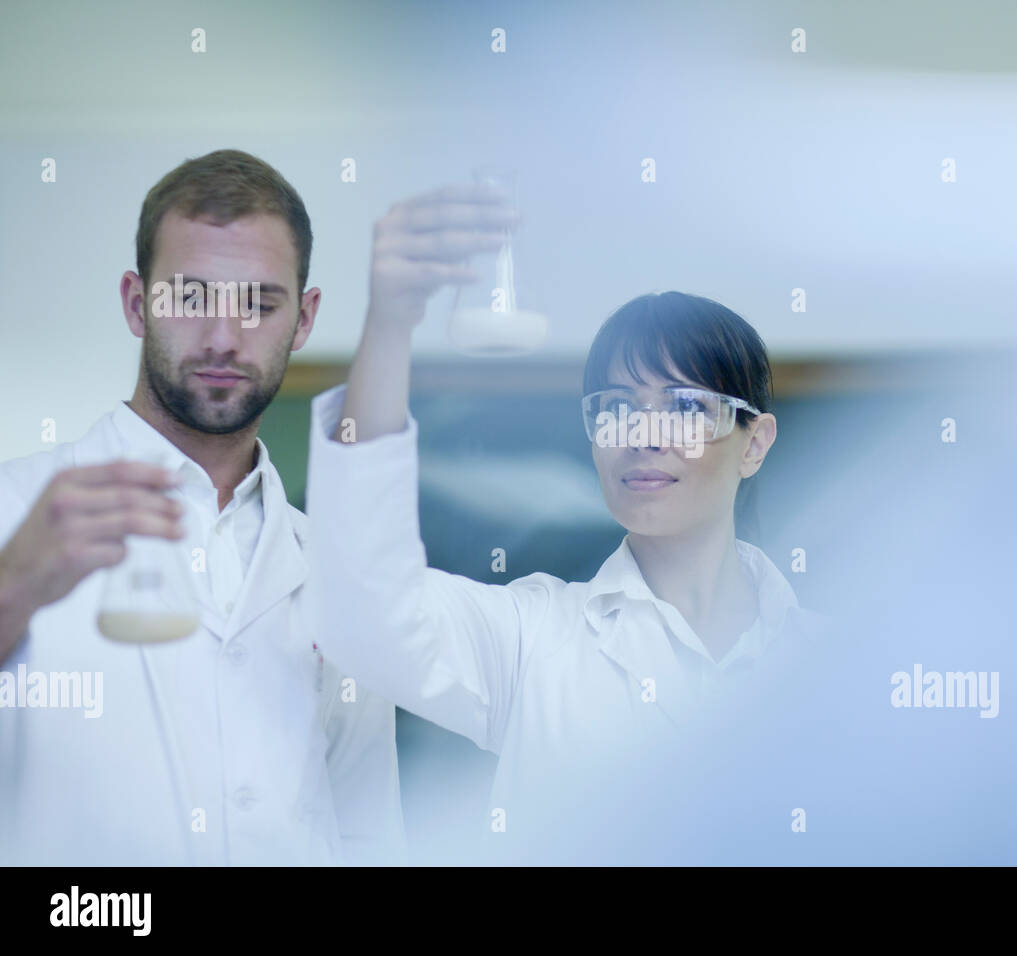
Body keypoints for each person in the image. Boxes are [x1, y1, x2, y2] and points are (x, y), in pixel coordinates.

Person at [304, 185, 811, 845]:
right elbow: (366, 608)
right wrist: (391, 323)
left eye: (685, 407)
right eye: (617, 406)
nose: (642, 433)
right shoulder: (534, 642)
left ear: (756, 442)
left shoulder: (832, 661)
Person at [0, 150, 404, 865]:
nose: (223, 337)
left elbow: (368, 832)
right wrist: (13, 591)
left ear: (304, 318)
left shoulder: (334, 569)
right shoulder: (17, 512)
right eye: (190, 298)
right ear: (136, 303)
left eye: (258, 303)